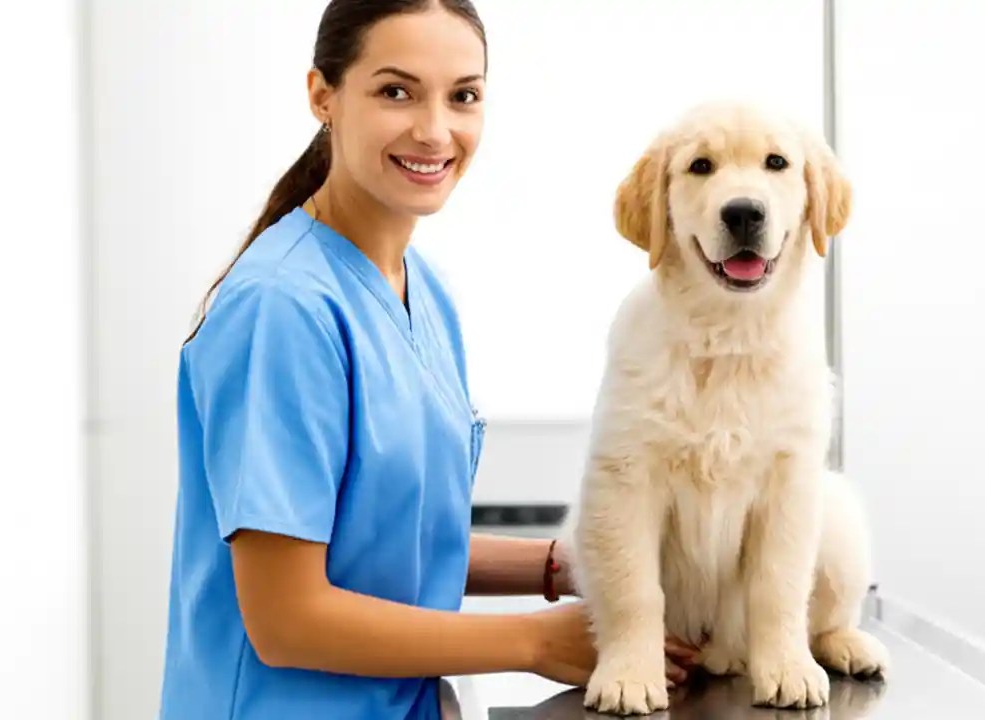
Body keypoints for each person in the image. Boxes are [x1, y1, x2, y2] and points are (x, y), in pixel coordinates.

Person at [158, 2, 699, 718]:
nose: (435, 130)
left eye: (463, 96)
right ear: (323, 95)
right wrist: (535, 641)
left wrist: (570, 566)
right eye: (396, 91)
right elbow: (287, 619)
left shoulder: (423, 290)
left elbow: (389, 543)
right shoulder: (281, 309)